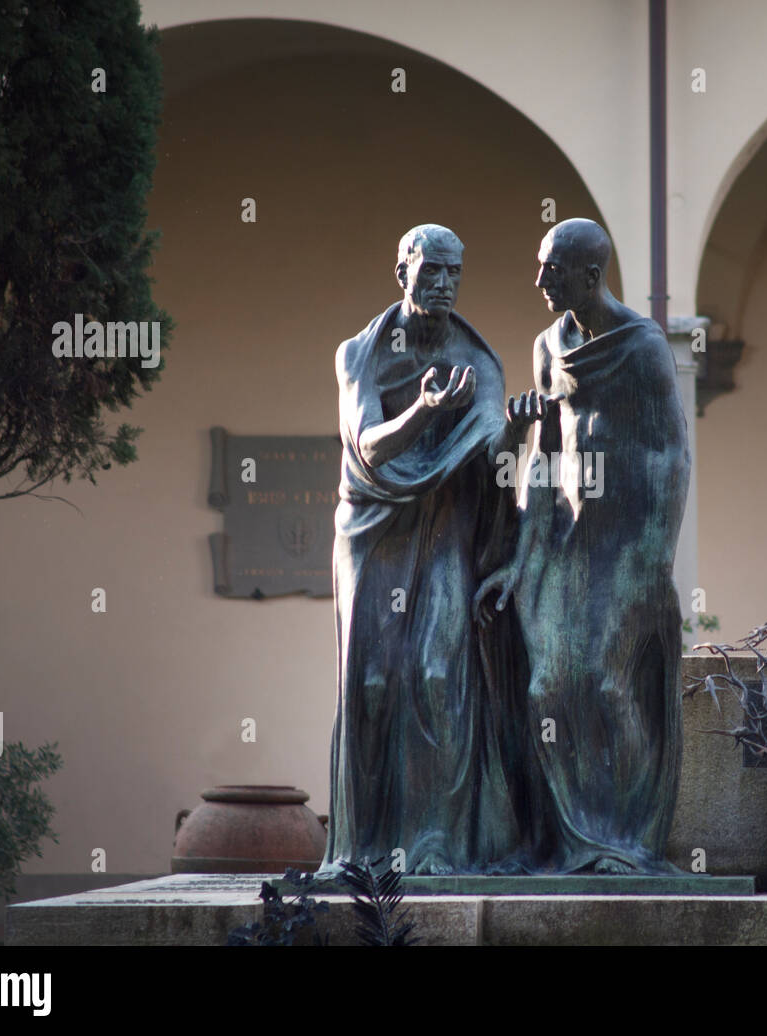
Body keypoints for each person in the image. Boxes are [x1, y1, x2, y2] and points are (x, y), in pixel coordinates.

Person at [320, 224, 540, 877]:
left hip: (446, 524)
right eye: (430, 271)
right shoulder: (360, 352)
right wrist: (422, 409)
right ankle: (360, 850)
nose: (442, 284)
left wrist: (520, 431)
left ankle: (434, 844)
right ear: (402, 273)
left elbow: (493, 454)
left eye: (453, 273)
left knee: (440, 678)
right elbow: (367, 446)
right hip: (375, 531)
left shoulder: (478, 358)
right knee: (372, 682)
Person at [475, 218, 691, 874]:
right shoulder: (547, 346)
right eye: (540, 265)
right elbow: (549, 452)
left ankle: (626, 836)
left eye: (553, 270)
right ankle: (569, 839)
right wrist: (521, 555)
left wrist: (653, 554)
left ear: (590, 277)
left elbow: (672, 454)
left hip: (627, 543)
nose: (540, 280)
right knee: (545, 690)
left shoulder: (643, 347)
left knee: (602, 681)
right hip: (563, 540)